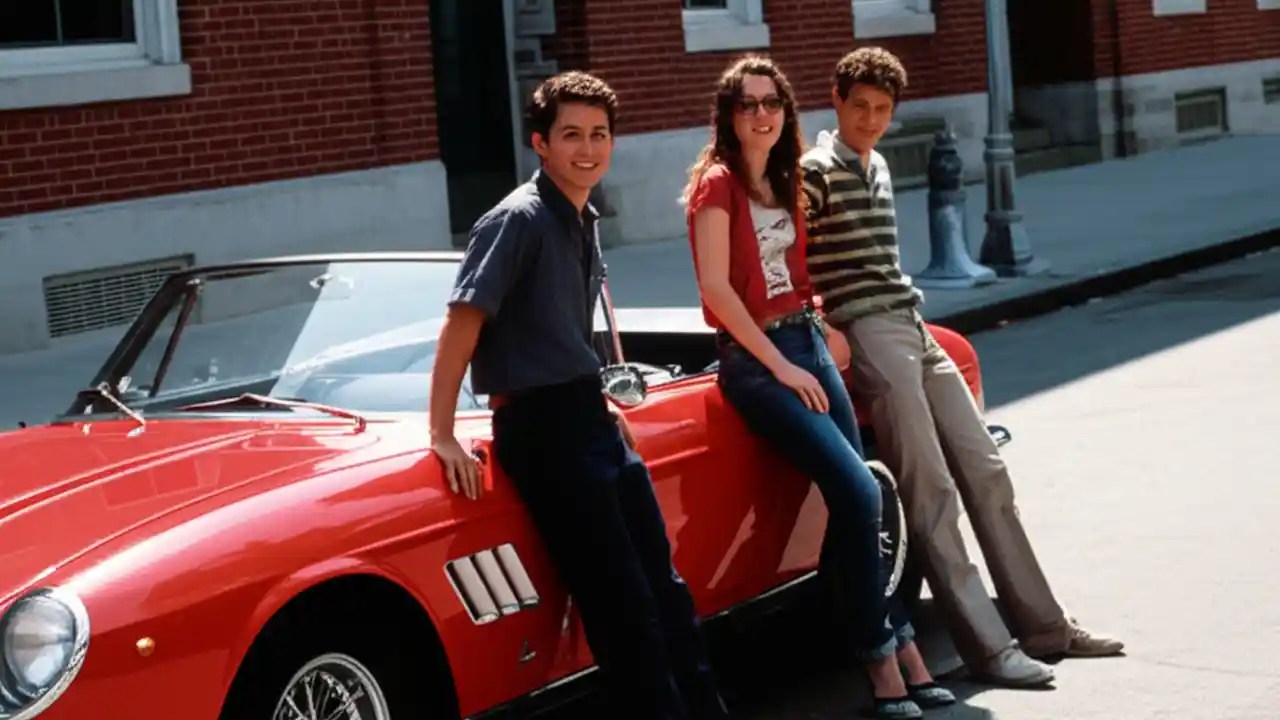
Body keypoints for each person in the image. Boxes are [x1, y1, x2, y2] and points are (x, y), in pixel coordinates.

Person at [800, 46, 1125, 688]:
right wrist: (824, 326)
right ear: (836, 101)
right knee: (929, 489)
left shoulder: (882, 162)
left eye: (882, 110)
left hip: (912, 323)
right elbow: (783, 257)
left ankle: (1045, 626)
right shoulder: (812, 170)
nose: (870, 119)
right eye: (859, 107)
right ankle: (990, 648)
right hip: (868, 330)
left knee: (986, 468)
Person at [429, 71, 729, 720]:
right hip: (543, 432)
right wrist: (443, 432)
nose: (587, 149)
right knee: (624, 608)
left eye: (599, 135)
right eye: (571, 136)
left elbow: (565, 326)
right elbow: (462, 325)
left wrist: (600, 397)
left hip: (589, 419)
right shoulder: (517, 220)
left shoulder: (582, 216)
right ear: (540, 142)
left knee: (667, 592)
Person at [682, 55, 954, 720]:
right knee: (860, 490)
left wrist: (822, 324)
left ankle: (901, 649)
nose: (762, 114)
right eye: (747, 104)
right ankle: (881, 657)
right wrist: (780, 366)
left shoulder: (784, 178)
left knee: (860, 497)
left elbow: (806, 268)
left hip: (807, 340)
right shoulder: (715, 186)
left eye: (771, 102)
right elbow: (716, 289)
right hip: (758, 362)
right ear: (729, 113)